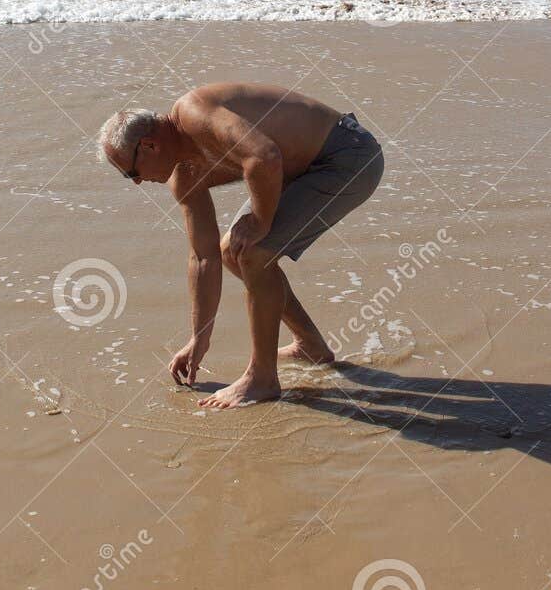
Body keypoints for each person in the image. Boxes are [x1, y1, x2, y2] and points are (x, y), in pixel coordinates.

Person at [97, 83, 384, 408]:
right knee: (230, 252)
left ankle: (262, 379)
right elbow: (202, 258)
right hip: (302, 169)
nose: (136, 182)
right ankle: (310, 346)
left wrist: (260, 222)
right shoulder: (184, 175)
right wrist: (198, 339)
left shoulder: (193, 113)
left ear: (148, 145)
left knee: (252, 251)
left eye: (130, 172)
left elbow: (264, 156)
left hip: (348, 154)